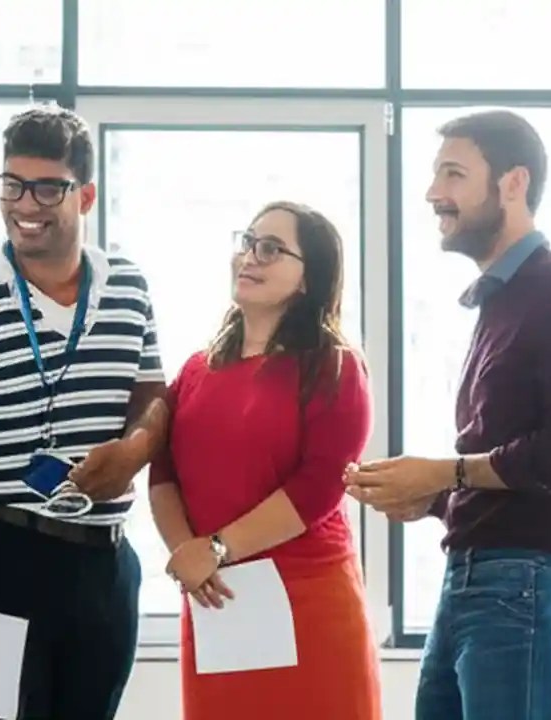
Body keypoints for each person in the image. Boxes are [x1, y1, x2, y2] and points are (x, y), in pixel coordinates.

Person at [345, 109, 551, 720]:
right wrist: (432, 497)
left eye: (453, 173)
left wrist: (445, 474)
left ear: (513, 183)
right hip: (480, 582)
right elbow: (515, 465)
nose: (432, 193)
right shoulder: (504, 301)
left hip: (523, 585)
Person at [0, 105, 166, 719]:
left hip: (105, 563)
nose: (26, 204)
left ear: (86, 195)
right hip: (4, 557)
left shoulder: (128, 286)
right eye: (12, 184)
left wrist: (133, 450)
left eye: (48, 187)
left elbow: (154, 402)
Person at [149, 201, 382, 720]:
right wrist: (187, 553)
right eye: (248, 242)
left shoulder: (335, 365)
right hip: (218, 598)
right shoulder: (196, 368)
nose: (250, 257)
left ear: (307, 279)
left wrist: (215, 547)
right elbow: (161, 469)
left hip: (309, 600)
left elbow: (321, 485)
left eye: (272, 249)